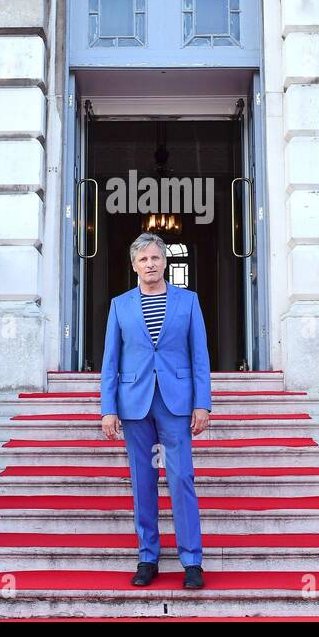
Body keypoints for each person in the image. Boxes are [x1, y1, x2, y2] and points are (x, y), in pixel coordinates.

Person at [99, 231, 212, 590]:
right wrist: (108, 408)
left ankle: (192, 561)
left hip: (176, 403)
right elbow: (110, 360)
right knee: (142, 481)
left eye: (155, 258)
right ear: (134, 265)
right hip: (134, 404)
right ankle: (148, 556)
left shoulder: (188, 301)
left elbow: (199, 357)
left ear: (165, 262)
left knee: (181, 479)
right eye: (143, 259)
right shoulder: (120, 305)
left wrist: (202, 403)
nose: (150, 264)